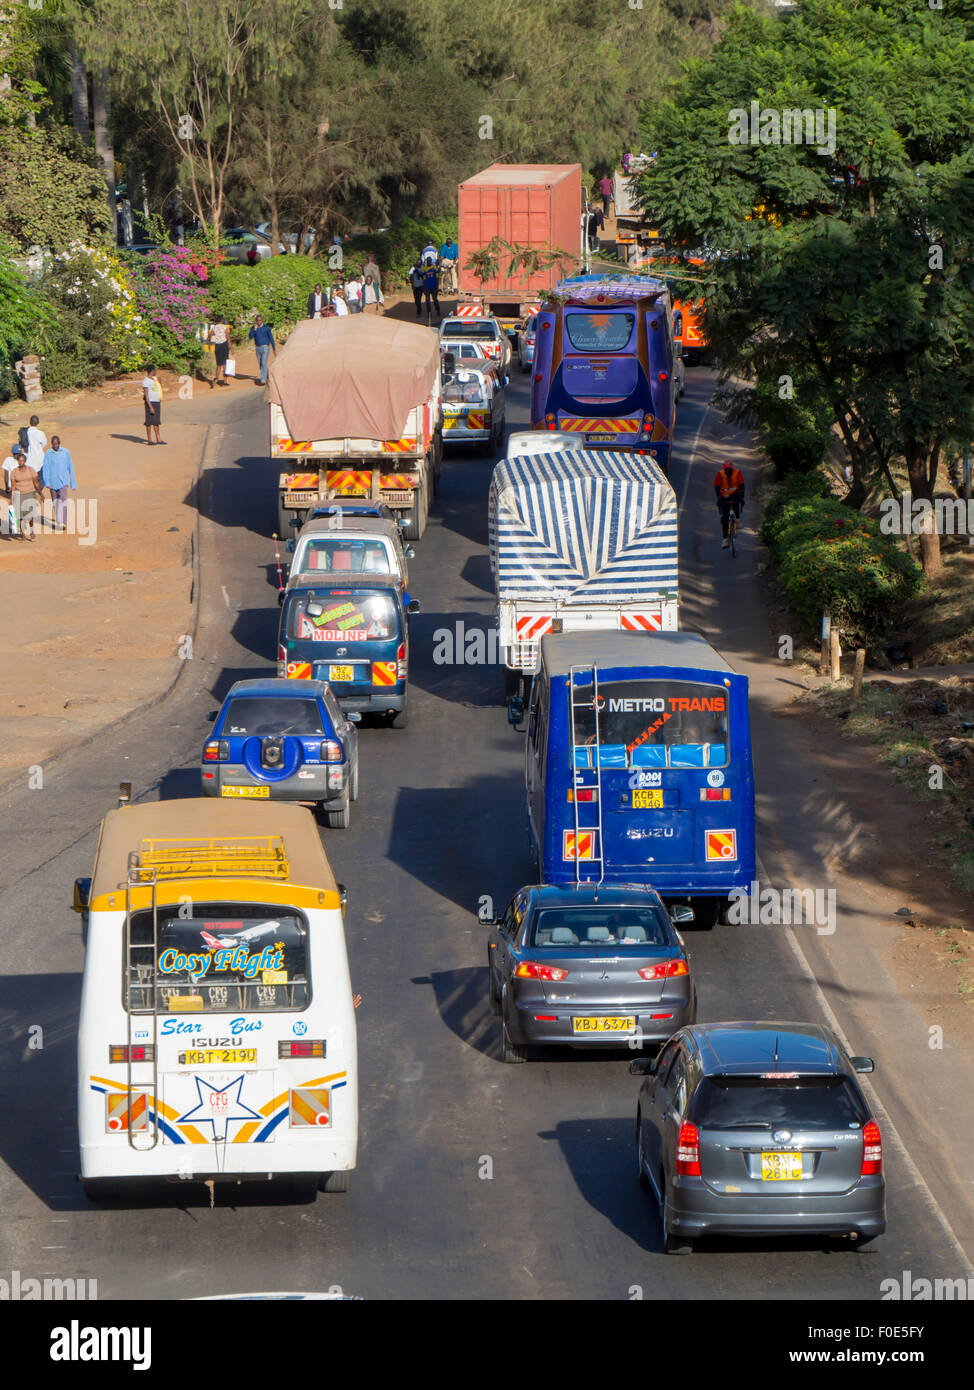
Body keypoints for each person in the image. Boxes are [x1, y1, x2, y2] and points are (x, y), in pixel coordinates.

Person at [41, 435, 76, 532]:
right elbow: (46, 468)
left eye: (57, 443)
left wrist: (73, 483)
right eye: (54, 444)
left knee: (63, 501)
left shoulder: (66, 452)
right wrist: (46, 481)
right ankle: (59, 519)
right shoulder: (48, 453)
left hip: (63, 482)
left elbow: (70, 467)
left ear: (59, 443)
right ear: (52, 444)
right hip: (52, 482)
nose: (55, 445)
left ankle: (63, 522)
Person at [8, 451, 42, 540]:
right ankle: (23, 533)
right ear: (18, 461)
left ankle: (31, 531)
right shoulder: (14, 472)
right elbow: (13, 486)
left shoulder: (31, 470)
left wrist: (41, 494)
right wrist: (11, 499)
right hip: (19, 495)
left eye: (22, 461)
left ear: (25, 461)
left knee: (31, 515)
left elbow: (36, 483)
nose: (21, 462)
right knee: (20, 516)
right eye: (19, 461)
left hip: (30, 493)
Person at [713, 459, 745, 547]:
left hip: (735, 495)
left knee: (737, 503)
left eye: (729, 469)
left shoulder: (737, 473)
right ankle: (725, 539)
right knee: (724, 518)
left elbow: (742, 485)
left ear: (732, 468)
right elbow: (717, 486)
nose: (728, 471)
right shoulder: (720, 474)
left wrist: (742, 497)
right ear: (724, 469)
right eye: (726, 470)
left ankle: (738, 520)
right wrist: (718, 498)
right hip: (724, 497)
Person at [248, 314, 277, 385]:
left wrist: (274, 348)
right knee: (261, 364)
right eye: (257, 320)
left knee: (264, 362)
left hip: (265, 347)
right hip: (257, 348)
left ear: (262, 320)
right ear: (256, 321)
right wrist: (254, 329)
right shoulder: (253, 328)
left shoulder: (266, 328)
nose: (259, 322)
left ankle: (263, 379)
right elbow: (250, 337)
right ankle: (267, 376)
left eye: (260, 320)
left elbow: (271, 338)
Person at [141, 365, 164, 443]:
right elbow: (146, 395)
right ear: (152, 370)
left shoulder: (155, 380)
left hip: (157, 401)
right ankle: (149, 440)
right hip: (150, 403)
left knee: (156, 421)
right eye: (155, 370)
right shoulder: (146, 381)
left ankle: (158, 439)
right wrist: (150, 407)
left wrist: (160, 382)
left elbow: (159, 389)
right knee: (149, 422)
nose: (156, 371)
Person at [210, 317, 230, 387]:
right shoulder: (224, 327)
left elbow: (211, 336)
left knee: (218, 364)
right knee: (225, 364)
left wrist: (216, 338)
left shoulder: (214, 328)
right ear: (222, 320)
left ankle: (216, 378)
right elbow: (227, 336)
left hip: (217, 346)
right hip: (224, 345)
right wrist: (230, 346)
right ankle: (225, 382)